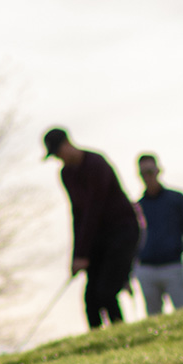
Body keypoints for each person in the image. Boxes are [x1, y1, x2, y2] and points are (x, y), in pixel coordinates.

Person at [46, 127, 140, 329]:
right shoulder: (66, 174)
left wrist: (82, 254)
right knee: (91, 300)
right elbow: (77, 214)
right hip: (98, 238)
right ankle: (96, 343)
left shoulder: (96, 164)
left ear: (66, 144)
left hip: (122, 231)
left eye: (57, 152)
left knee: (106, 291)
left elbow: (93, 209)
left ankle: (120, 334)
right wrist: (76, 256)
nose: (57, 158)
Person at [131, 153, 183, 315]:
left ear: (158, 171)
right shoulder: (137, 207)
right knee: (153, 318)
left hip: (173, 266)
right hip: (146, 269)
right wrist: (131, 269)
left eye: (150, 171)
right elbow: (132, 240)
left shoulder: (177, 199)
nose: (147, 177)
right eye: (143, 173)